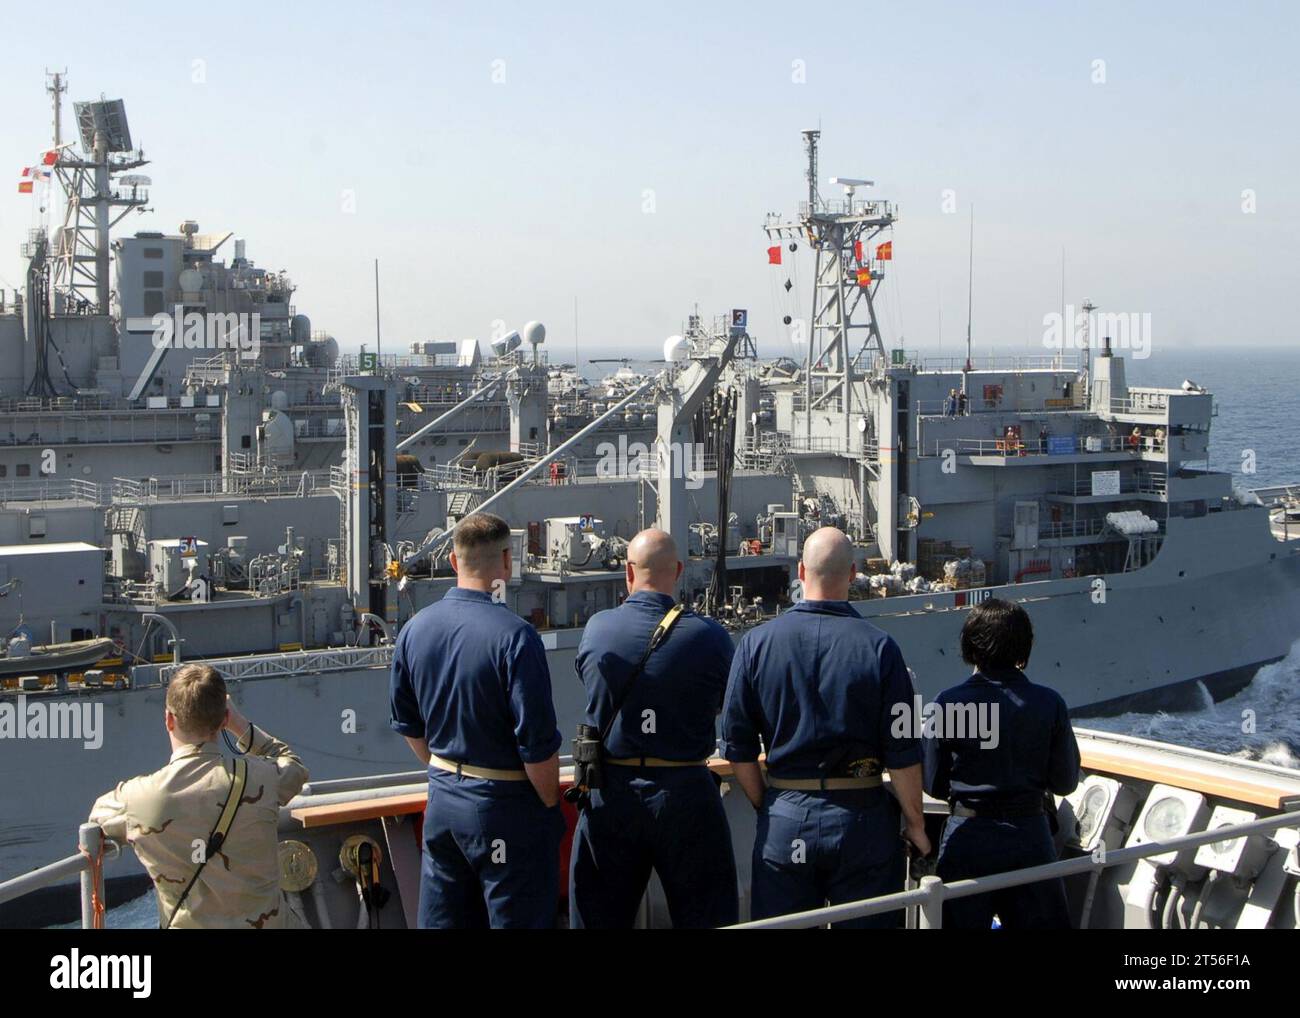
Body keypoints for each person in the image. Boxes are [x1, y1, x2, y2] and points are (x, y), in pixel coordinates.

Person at [722, 526, 930, 927]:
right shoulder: (881, 648)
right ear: (853, 574)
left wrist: (767, 804)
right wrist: (917, 825)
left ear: (800, 571)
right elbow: (903, 752)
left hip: (784, 818)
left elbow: (737, 747)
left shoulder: (755, 644)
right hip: (863, 822)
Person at [390, 511, 564, 928]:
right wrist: (548, 808)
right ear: (507, 561)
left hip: (443, 799)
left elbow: (409, 725)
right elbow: (537, 745)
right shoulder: (516, 636)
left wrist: (450, 768)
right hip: (504, 806)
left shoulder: (414, 629)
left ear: (453, 561)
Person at [569, 528, 738, 928]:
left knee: (598, 918)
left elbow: (591, 684)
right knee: (707, 916)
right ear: (678, 571)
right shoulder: (711, 637)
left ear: (628, 572)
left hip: (611, 793)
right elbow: (723, 703)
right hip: (686, 791)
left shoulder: (597, 628)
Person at [89, 663, 308, 928]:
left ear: (169, 720)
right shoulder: (261, 777)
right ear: (224, 720)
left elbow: (98, 818)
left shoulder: (137, 798)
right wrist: (240, 726)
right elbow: (292, 766)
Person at [922, 598, 1080, 929]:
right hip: (1030, 836)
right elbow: (1065, 781)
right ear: (1024, 647)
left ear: (970, 645)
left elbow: (933, 783)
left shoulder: (947, 703)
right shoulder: (1049, 703)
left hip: (968, 837)